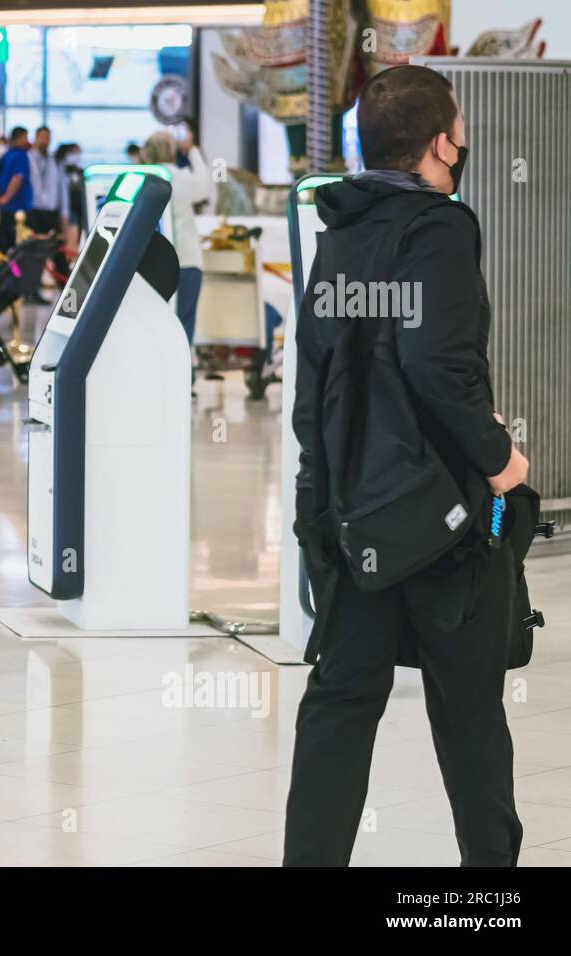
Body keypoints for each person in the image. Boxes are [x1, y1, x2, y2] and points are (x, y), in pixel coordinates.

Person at [285, 64, 530, 867]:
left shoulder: (339, 234)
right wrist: (501, 464)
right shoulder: (441, 227)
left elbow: (313, 383)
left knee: (341, 703)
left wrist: (320, 504)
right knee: (468, 712)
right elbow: (437, 366)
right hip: (443, 523)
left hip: (356, 519)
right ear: (440, 142)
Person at [141, 129, 210, 389]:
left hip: (155, 264)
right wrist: (191, 150)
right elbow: (205, 184)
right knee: (185, 322)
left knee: (157, 323)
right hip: (189, 261)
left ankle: (158, 377)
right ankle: (182, 379)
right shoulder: (180, 177)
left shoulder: (147, 180)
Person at [0, 126, 32, 251]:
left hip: (5, 208)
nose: (27, 141)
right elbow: (17, 178)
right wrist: (5, 198)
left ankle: (10, 270)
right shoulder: (20, 155)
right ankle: (16, 271)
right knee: (17, 247)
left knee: (5, 246)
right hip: (16, 208)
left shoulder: (7, 155)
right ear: (18, 138)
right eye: (25, 137)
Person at [27, 125, 67, 236]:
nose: (45, 141)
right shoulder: (28, 158)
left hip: (51, 213)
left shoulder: (55, 160)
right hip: (34, 211)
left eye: (47, 138)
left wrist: (64, 215)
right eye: (42, 137)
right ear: (36, 138)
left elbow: (62, 190)